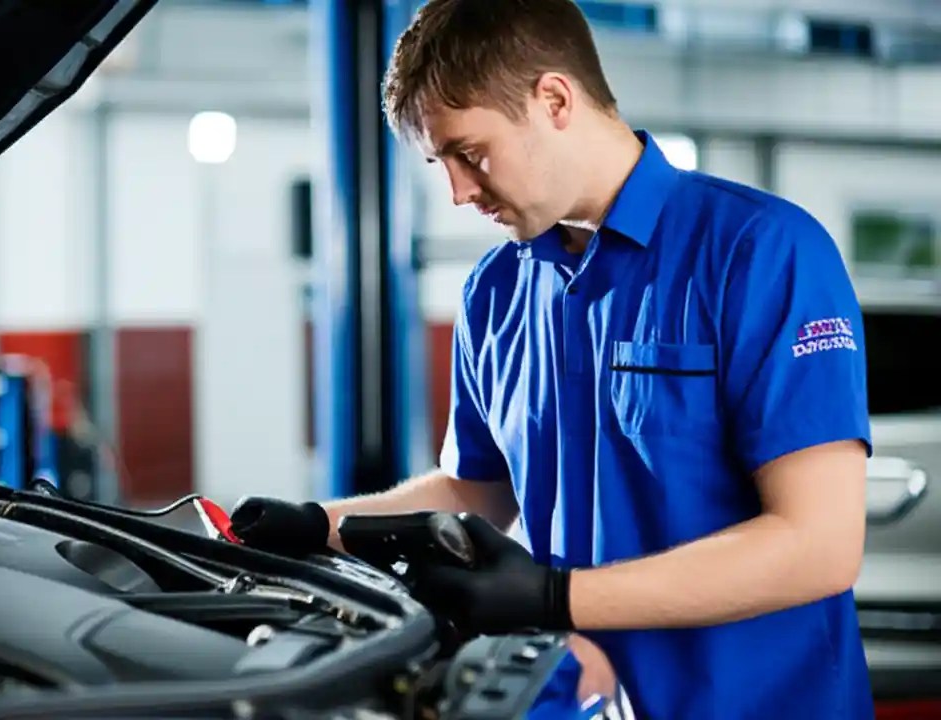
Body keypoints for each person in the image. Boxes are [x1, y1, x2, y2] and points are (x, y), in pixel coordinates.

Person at [229, 0, 874, 718]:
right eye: (439, 163)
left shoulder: (761, 252)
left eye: (471, 154)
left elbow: (819, 543)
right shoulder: (496, 290)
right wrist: (319, 523)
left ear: (555, 99)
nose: (459, 192)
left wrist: (554, 596)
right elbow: (478, 492)